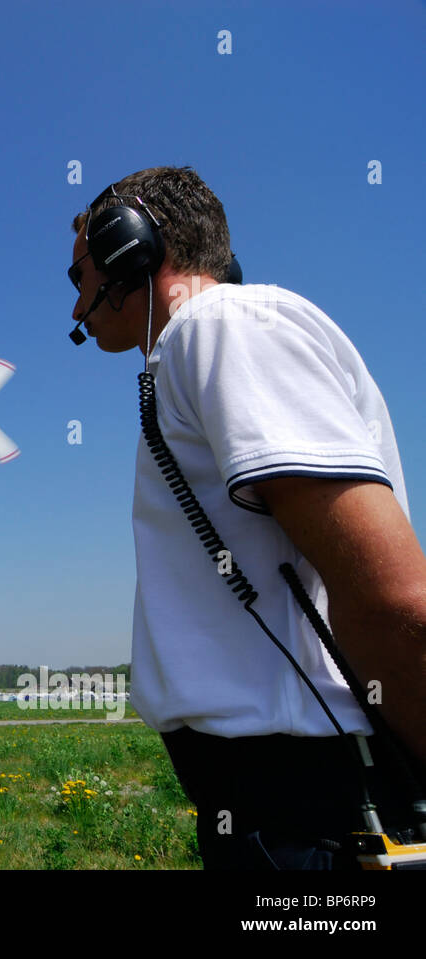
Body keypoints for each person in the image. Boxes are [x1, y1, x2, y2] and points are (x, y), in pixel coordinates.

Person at [68, 166, 426, 870]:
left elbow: (392, 599)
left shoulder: (226, 327)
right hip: (278, 809)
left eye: (80, 273)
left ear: (129, 247)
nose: (77, 306)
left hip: (314, 809)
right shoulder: (196, 350)